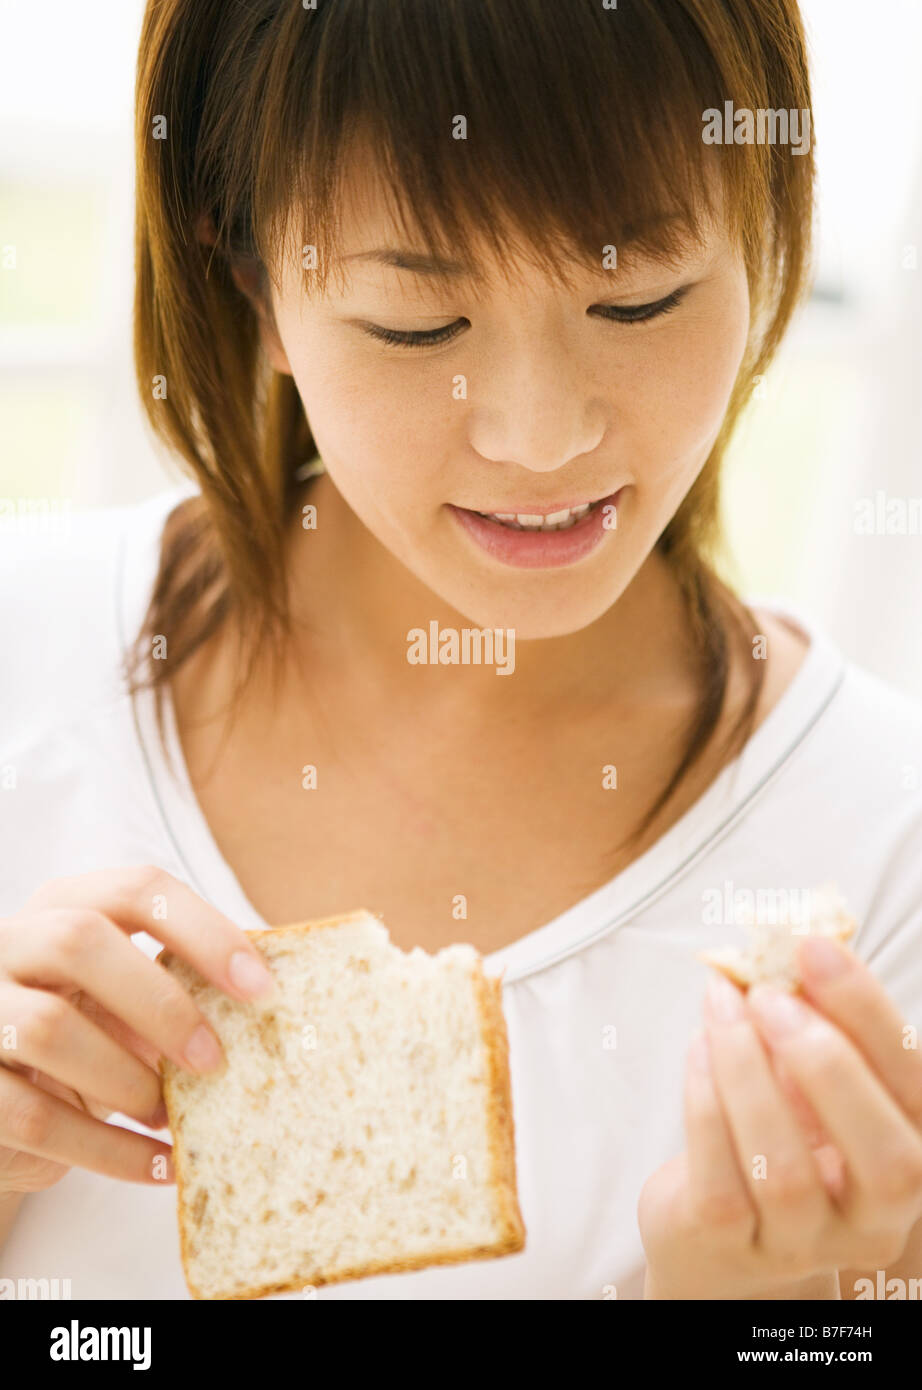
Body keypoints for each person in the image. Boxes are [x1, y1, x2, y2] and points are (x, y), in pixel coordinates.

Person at [1, 0, 920, 1301]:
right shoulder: (21, 652)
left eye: (638, 297)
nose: (539, 437)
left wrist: (746, 1312)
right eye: (415, 327)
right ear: (250, 280)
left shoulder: (884, 852)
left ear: (767, 232)